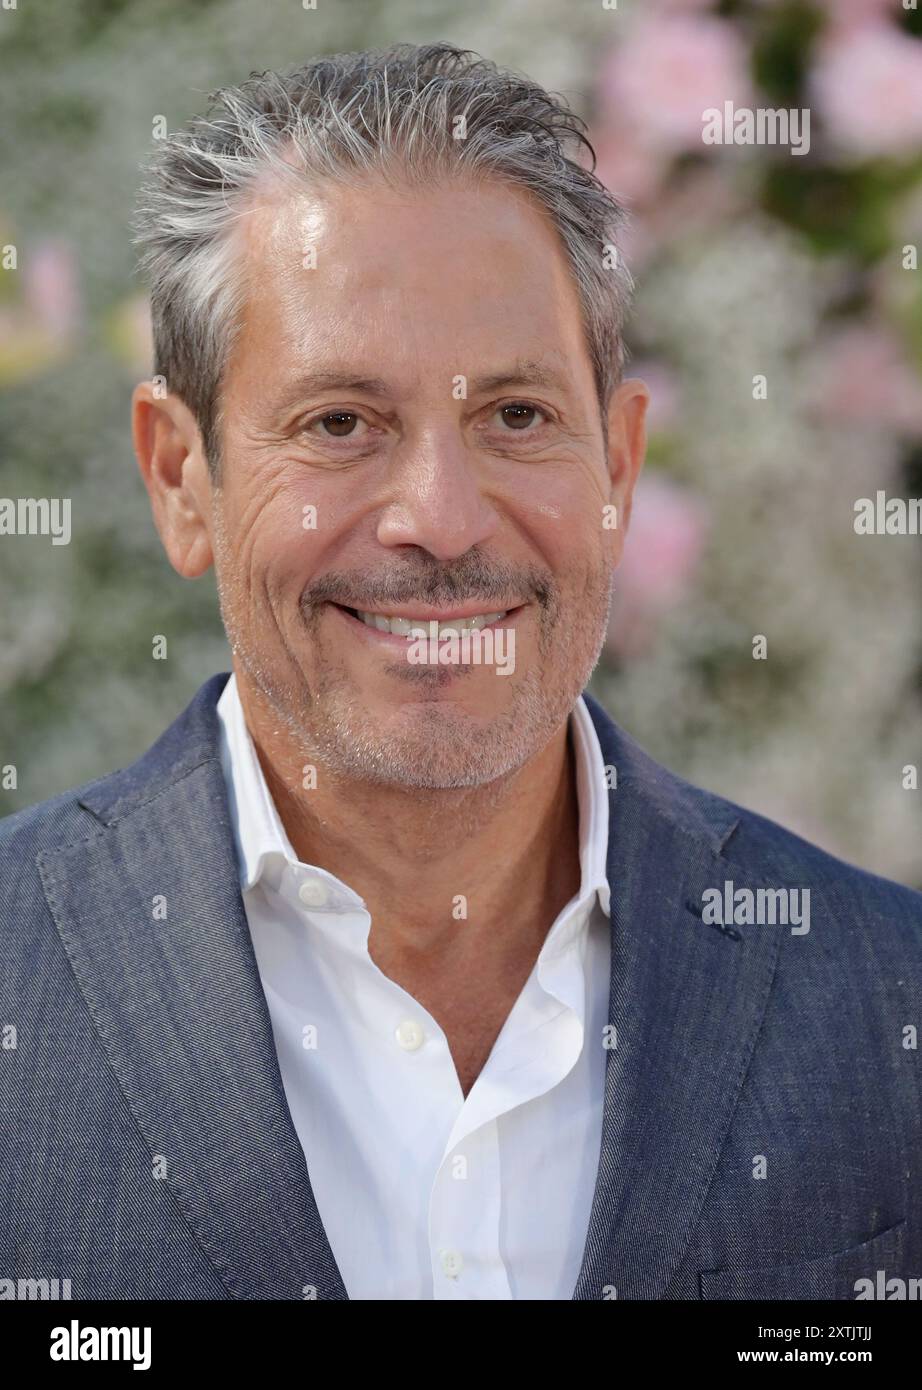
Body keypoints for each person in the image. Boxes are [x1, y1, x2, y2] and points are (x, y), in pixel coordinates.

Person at [1, 43, 919, 1302]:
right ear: (180, 477)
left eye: (517, 416)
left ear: (617, 464)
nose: (439, 517)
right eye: (339, 422)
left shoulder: (888, 997)